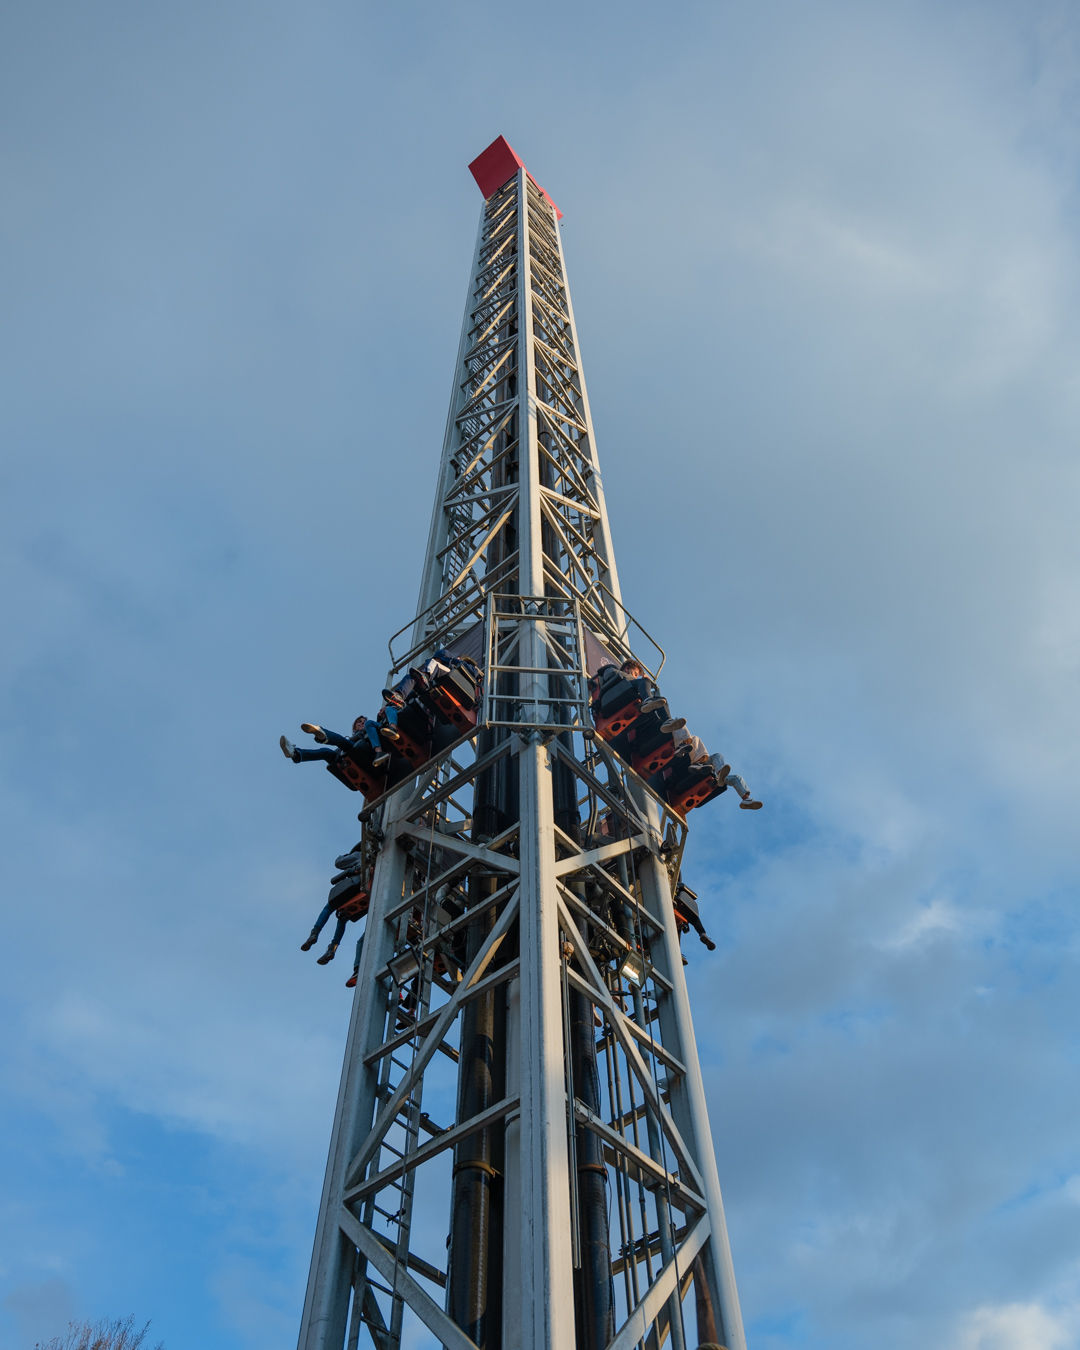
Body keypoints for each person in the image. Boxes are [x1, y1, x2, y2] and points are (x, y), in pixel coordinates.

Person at [300, 846, 371, 965]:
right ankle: (332, 948)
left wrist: (345, 856)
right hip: (367, 891)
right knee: (343, 917)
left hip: (355, 884)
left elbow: (338, 863)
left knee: (329, 907)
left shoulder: (358, 855)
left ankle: (314, 933)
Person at [280, 716, 391, 770]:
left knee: (342, 741)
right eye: (359, 722)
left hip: (367, 751)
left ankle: (322, 734)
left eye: (363, 721)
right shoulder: (352, 737)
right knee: (326, 752)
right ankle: (295, 754)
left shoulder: (369, 728)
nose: (362, 723)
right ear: (354, 727)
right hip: (351, 756)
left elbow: (379, 727)